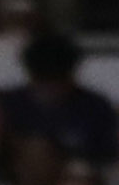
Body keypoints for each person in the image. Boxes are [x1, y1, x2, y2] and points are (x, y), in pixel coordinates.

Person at [10, 29, 119, 167]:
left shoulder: (95, 108)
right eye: (43, 79)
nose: (51, 88)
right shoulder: (11, 106)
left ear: (71, 76)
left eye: (57, 79)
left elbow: (108, 158)